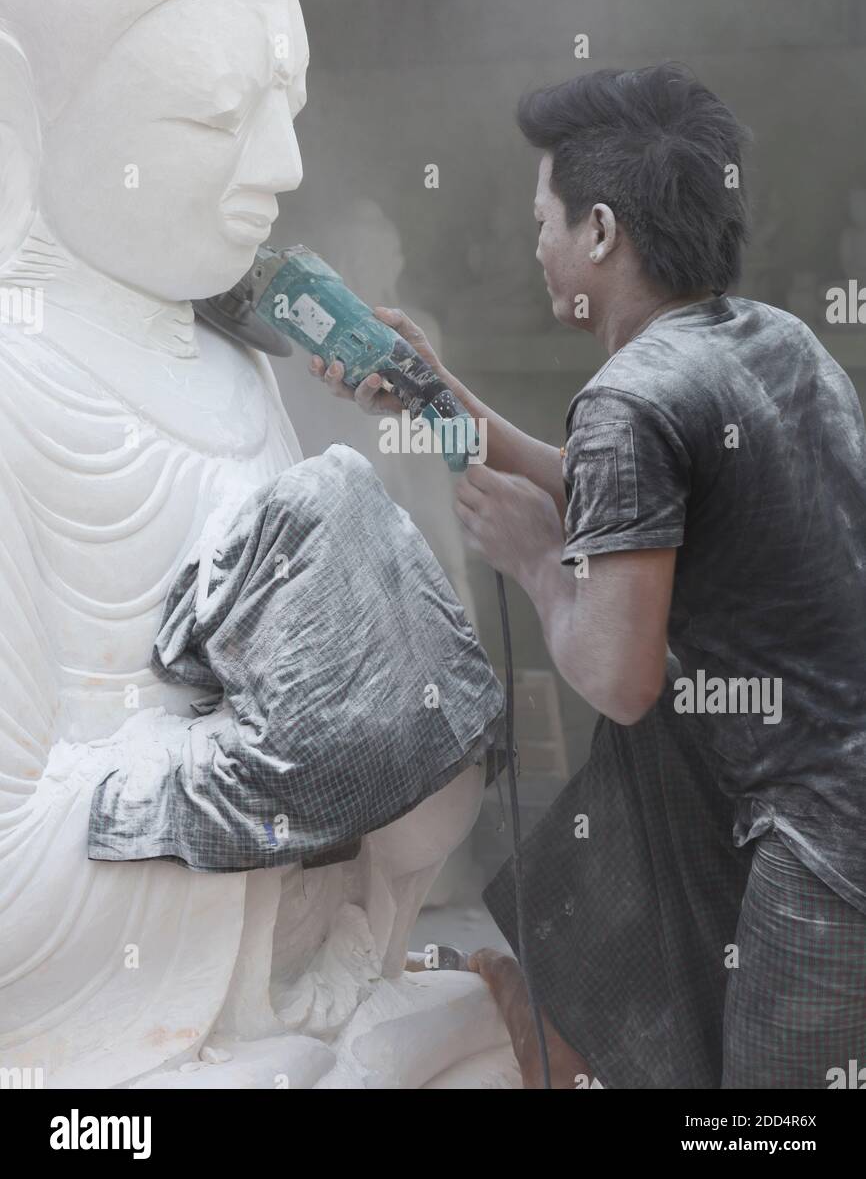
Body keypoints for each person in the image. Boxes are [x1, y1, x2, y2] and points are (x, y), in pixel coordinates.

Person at [311, 61, 866, 1090]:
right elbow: (623, 503)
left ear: (600, 232)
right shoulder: (769, 342)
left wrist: (532, 557)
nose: (533, 246)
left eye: (542, 222)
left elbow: (619, 677)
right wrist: (437, 394)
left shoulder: (629, 397)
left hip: (825, 843)